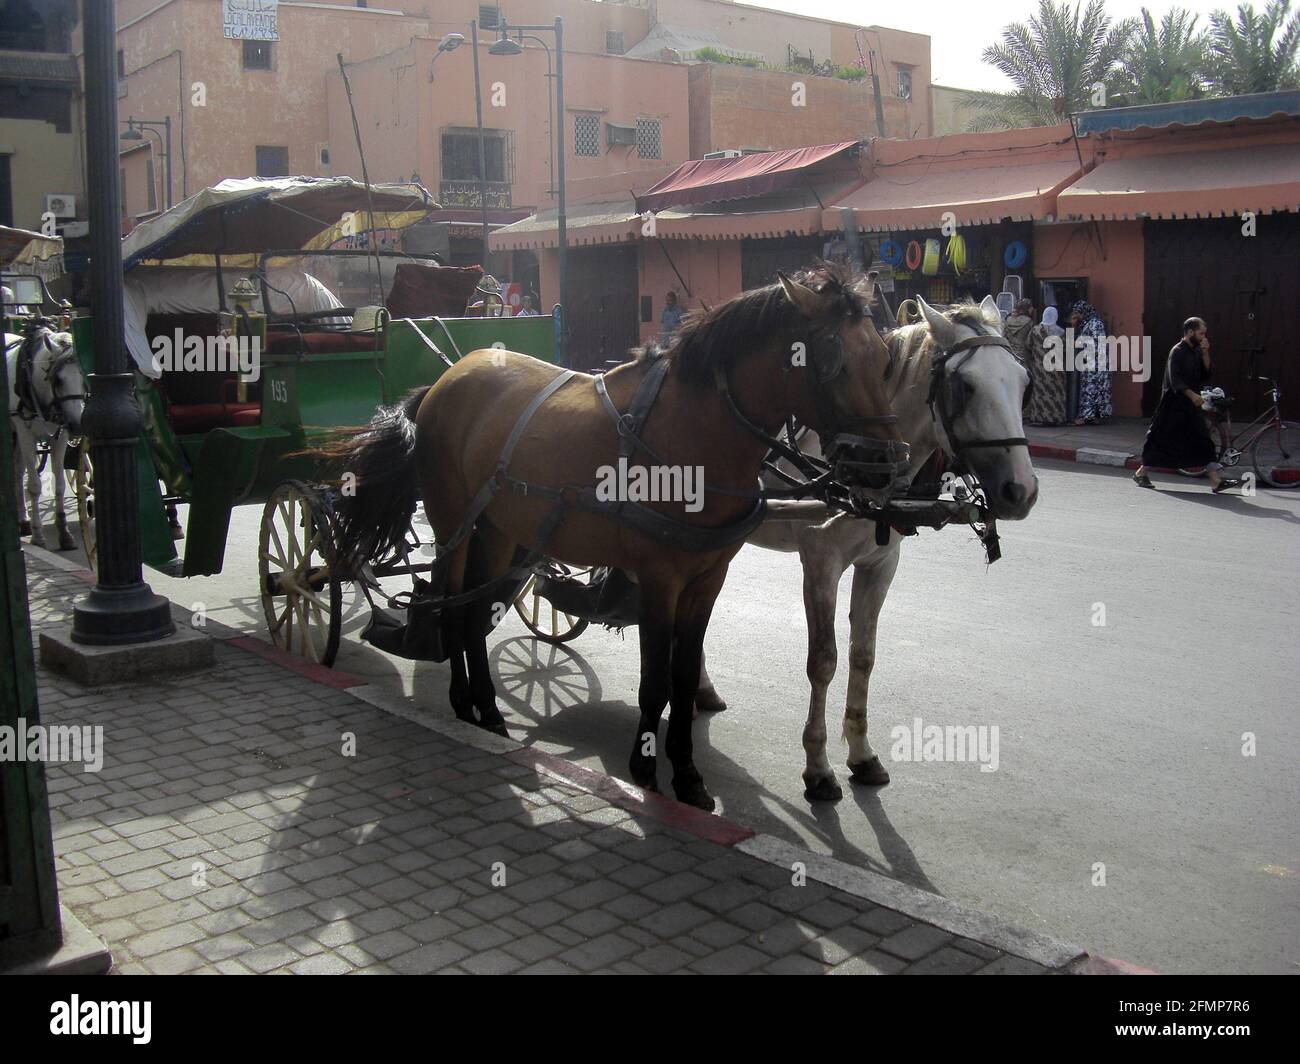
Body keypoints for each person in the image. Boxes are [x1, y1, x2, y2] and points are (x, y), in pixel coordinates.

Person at [1133, 317, 1240, 493]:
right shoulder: (1177, 351)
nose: (1203, 337)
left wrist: (1206, 352)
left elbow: (1206, 374)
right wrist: (1191, 395)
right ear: (1190, 332)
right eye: (1201, 333)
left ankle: (1215, 481)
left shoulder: (1196, 351)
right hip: (1173, 405)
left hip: (1191, 405)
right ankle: (1141, 472)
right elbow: (1175, 380)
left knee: (1203, 439)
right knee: (1160, 441)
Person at [1069, 300, 1112, 425]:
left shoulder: (1094, 323)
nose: (1077, 316)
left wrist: (1075, 335)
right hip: (1092, 362)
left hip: (1096, 363)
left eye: (1078, 313)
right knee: (1093, 390)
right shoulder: (1088, 323)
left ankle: (1086, 417)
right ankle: (1092, 417)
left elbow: (1092, 342)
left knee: (1090, 390)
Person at [1025, 305, 1067, 425]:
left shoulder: (1035, 330)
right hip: (1056, 367)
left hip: (1039, 367)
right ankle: (1055, 418)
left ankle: (1039, 417)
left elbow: (1028, 345)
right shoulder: (1061, 332)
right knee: (1056, 392)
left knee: (1039, 392)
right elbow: (1065, 349)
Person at [1003, 298, 1034, 362]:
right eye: (1031, 307)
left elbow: (1004, 337)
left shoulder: (1007, 320)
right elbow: (1029, 343)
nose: (1032, 309)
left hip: (1009, 354)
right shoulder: (1029, 322)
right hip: (1023, 356)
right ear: (1026, 308)